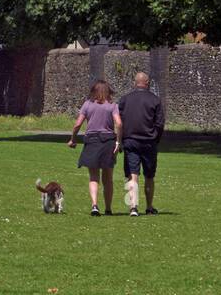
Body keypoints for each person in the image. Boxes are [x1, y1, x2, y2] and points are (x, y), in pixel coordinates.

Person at [68, 80, 123, 216]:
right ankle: (108, 208)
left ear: (94, 91)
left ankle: (94, 205)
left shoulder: (87, 105)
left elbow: (77, 125)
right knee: (108, 178)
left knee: (93, 176)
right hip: (108, 141)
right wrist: (118, 142)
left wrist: (73, 139)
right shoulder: (112, 106)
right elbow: (119, 124)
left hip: (92, 140)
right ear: (108, 91)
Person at [118, 71, 165, 216]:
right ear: (148, 83)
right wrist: (155, 138)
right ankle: (149, 207)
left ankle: (133, 207)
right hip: (149, 142)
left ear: (134, 83)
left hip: (131, 141)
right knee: (149, 176)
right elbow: (160, 123)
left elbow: (119, 121)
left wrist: (120, 140)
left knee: (133, 174)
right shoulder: (155, 100)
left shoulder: (125, 99)